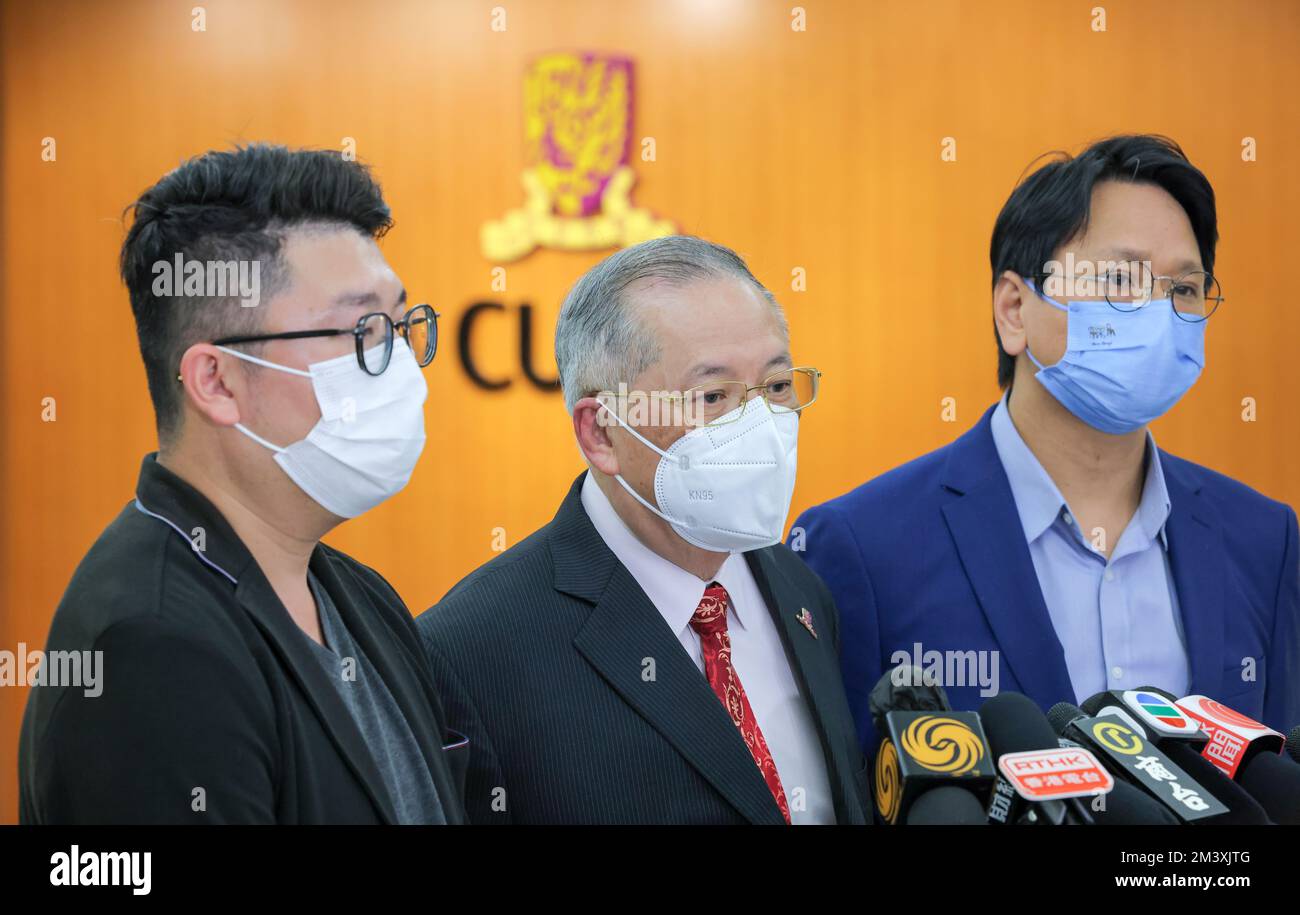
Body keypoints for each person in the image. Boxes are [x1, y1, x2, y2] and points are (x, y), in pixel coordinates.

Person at [792, 134, 1299, 750]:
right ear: (1014, 310)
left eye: (1185, 290)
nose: (1161, 315)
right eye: (1120, 278)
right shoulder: (864, 546)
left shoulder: (1264, 539)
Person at [19, 144, 465, 824]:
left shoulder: (358, 598)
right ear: (217, 382)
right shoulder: (150, 648)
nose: (399, 360)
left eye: (398, 324)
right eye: (360, 330)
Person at [418, 236, 870, 824]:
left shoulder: (799, 588)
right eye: (712, 396)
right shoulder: (472, 651)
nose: (760, 424)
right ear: (601, 432)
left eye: (777, 387)